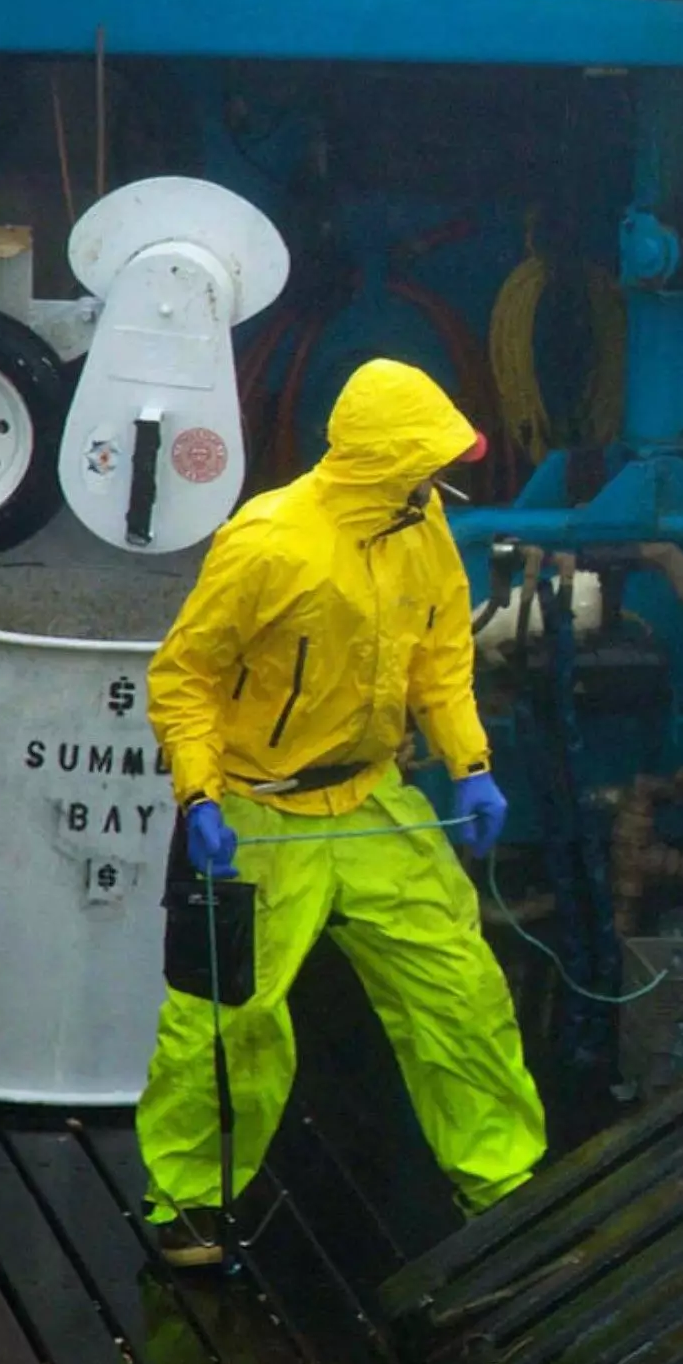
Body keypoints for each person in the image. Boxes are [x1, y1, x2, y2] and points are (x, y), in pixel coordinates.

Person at [134, 357, 542, 1269]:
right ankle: (187, 1203)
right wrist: (199, 794)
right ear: (382, 463)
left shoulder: (420, 522)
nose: (442, 479)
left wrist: (470, 764)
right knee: (226, 1021)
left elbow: (440, 654)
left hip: (370, 801)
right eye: (426, 464)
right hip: (257, 812)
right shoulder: (269, 544)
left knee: (458, 993)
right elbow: (183, 677)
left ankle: (509, 1191)